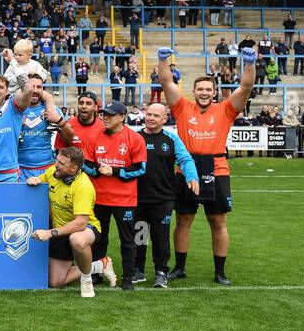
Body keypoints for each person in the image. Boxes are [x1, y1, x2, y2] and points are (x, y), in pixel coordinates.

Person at [156, 43, 256, 285]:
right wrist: (162, 61)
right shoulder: (182, 107)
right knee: (183, 219)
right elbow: (166, 83)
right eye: (199, 89)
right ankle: (180, 268)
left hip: (217, 168)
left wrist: (251, 63)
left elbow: (246, 86)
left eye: (208, 89)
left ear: (214, 92)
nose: (203, 92)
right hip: (186, 167)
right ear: (193, 90)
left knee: (218, 221)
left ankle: (220, 272)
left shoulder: (226, 109)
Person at [27, 146, 115, 298]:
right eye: (57, 160)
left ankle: (87, 280)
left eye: (61, 163)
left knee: (77, 239)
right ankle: (99, 265)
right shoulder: (53, 173)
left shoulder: (83, 186)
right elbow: (41, 181)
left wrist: (50, 233)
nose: (56, 165)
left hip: (85, 228)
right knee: (55, 282)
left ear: (74, 168)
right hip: (61, 230)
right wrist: (34, 180)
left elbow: (80, 223)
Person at [135, 102, 200, 288]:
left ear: (165, 119)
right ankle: (138, 269)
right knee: (140, 234)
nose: (151, 118)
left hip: (163, 199)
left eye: (156, 116)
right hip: (137, 198)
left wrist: (192, 176)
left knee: (160, 236)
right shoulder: (135, 137)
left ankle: (161, 271)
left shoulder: (171, 139)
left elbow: (186, 159)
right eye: (149, 114)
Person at [86, 99, 148, 290]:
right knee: (98, 238)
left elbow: (141, 169)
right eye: (104, 114)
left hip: (124, 200)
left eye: (110, 115)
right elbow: (86, 164)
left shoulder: (135, 138)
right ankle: (96, 274)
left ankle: (128, 277)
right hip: (99, 198)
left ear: (122, 117)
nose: (105, 118)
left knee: (127, 240)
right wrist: (98, 169)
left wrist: (114, 171)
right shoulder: (95, 137)